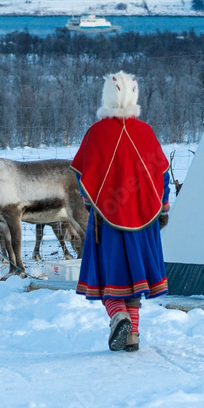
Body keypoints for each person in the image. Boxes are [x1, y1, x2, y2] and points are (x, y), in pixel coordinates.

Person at [71, 72, 170, 352]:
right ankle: (132, 335)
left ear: (107, 97)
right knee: (135, 278)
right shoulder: (146, 132)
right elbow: (162, 174)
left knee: (109, 276)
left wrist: (90, 201)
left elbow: (81, 174)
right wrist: (162, 208)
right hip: (144, 220)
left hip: (107, 219)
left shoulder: (96, 133)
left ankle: (119, 316)